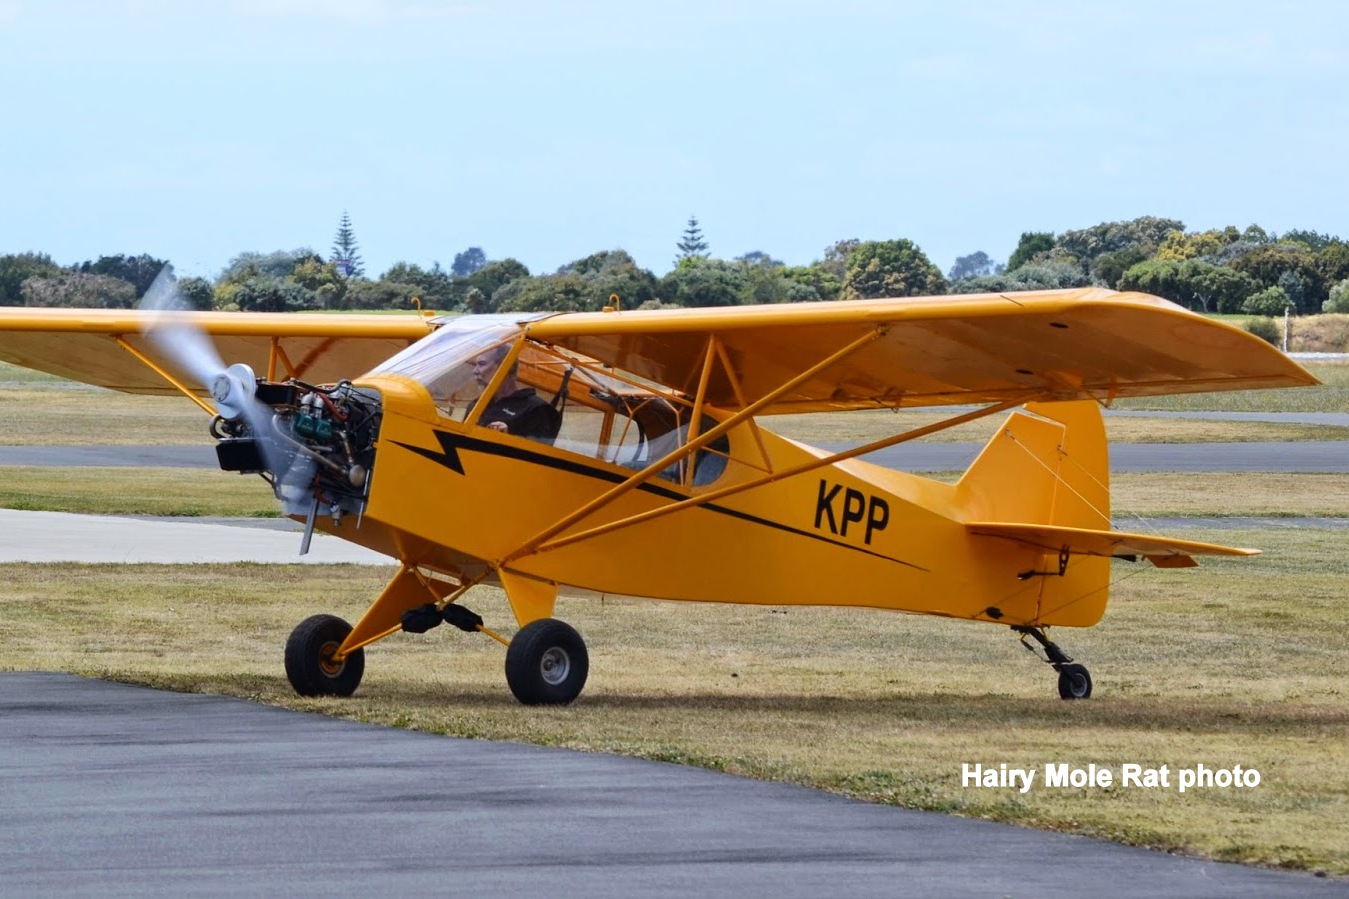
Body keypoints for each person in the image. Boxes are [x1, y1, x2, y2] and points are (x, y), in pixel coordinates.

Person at [470, 344, 560, 441]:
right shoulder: (476, 405)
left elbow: (539, 451)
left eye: (482, 364)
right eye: (475, 365)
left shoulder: (537, 409)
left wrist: (510, 434)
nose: (474, 371)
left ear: (505, 367)